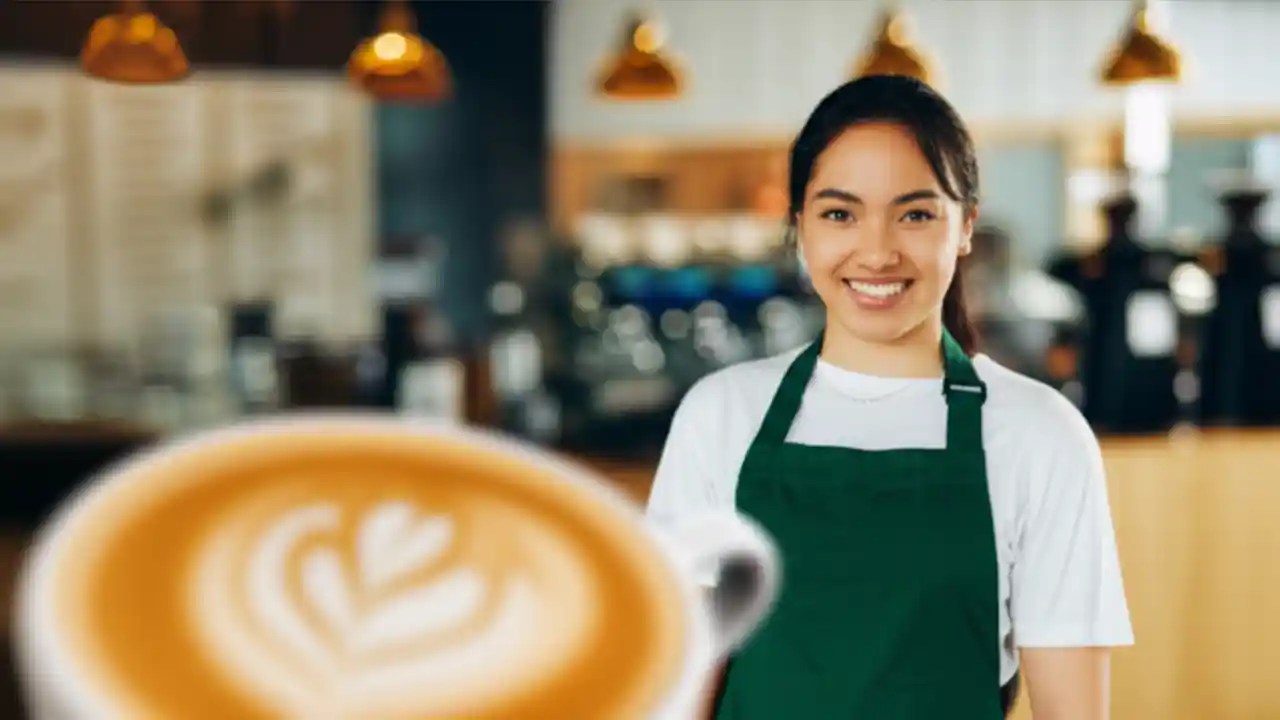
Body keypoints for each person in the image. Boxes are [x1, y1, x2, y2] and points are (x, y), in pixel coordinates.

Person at [646, 75, 1133, 719]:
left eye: (915, 214)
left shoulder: (1040, 435)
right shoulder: (721, 416)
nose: (876, 252)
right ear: (801, 226)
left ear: (965, 228)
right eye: (840, 213)